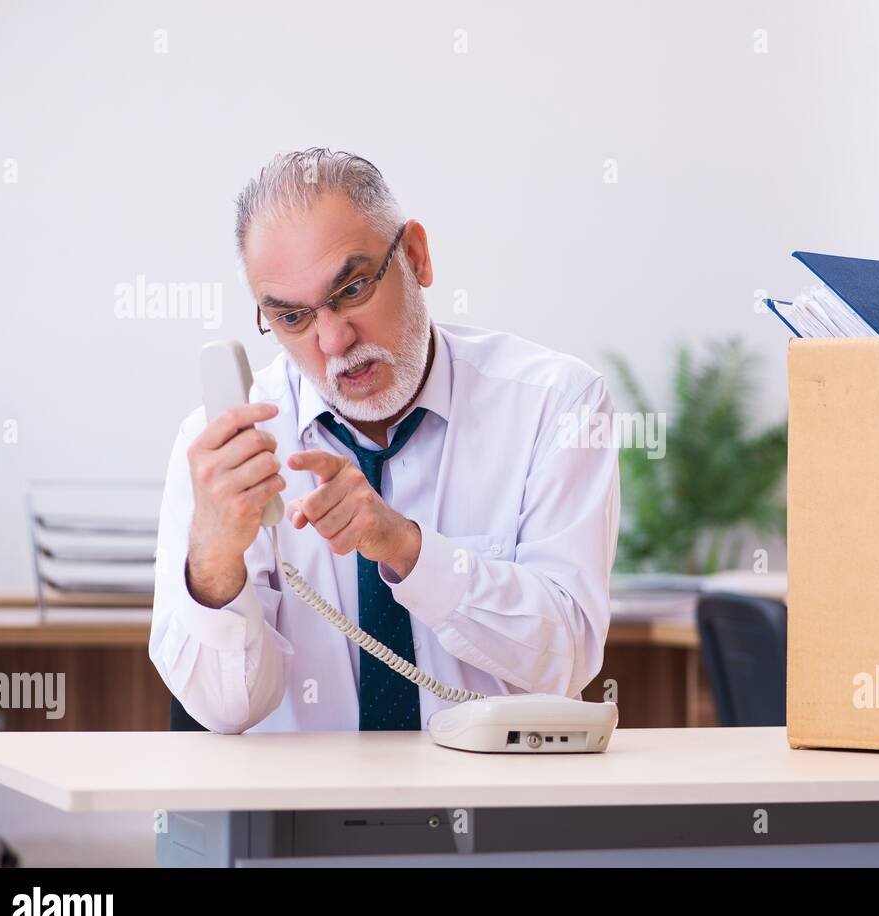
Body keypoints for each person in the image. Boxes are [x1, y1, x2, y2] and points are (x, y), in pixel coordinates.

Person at [149, 148, 620, 733]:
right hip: (301, 813)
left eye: (350, 289)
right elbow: (225, 710)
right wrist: (216, 558)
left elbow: (567, 655)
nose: (333, 339)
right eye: (293, 318)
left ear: (416, 257)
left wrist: (405, 547)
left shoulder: (557, 404)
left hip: (499, 806)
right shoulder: (225, 449)